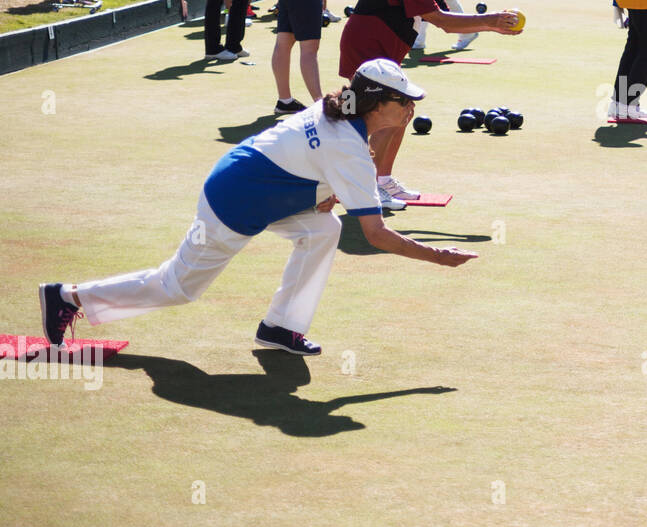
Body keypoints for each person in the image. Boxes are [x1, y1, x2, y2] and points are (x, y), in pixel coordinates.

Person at [38, 59, 478, 357]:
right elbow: (376, 234)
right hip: (233, 198)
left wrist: (319, 194)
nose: (411, 108)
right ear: (378, 103)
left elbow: (305, 158)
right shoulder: (348, 144)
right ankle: (67, 296)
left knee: (322, 230)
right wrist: (439, 256)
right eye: (404, 101)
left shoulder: (341, 111)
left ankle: (280, 328)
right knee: (177, 287)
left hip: (261, 184)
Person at [338, 0, 522, 209]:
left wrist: (493, 25)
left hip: (386, 53)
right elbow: (443, 22)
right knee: (384, 115)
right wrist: (492, 20)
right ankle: (366, 187)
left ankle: (382, 180)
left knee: (404, 110)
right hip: (366, 51)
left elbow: (446, 18)